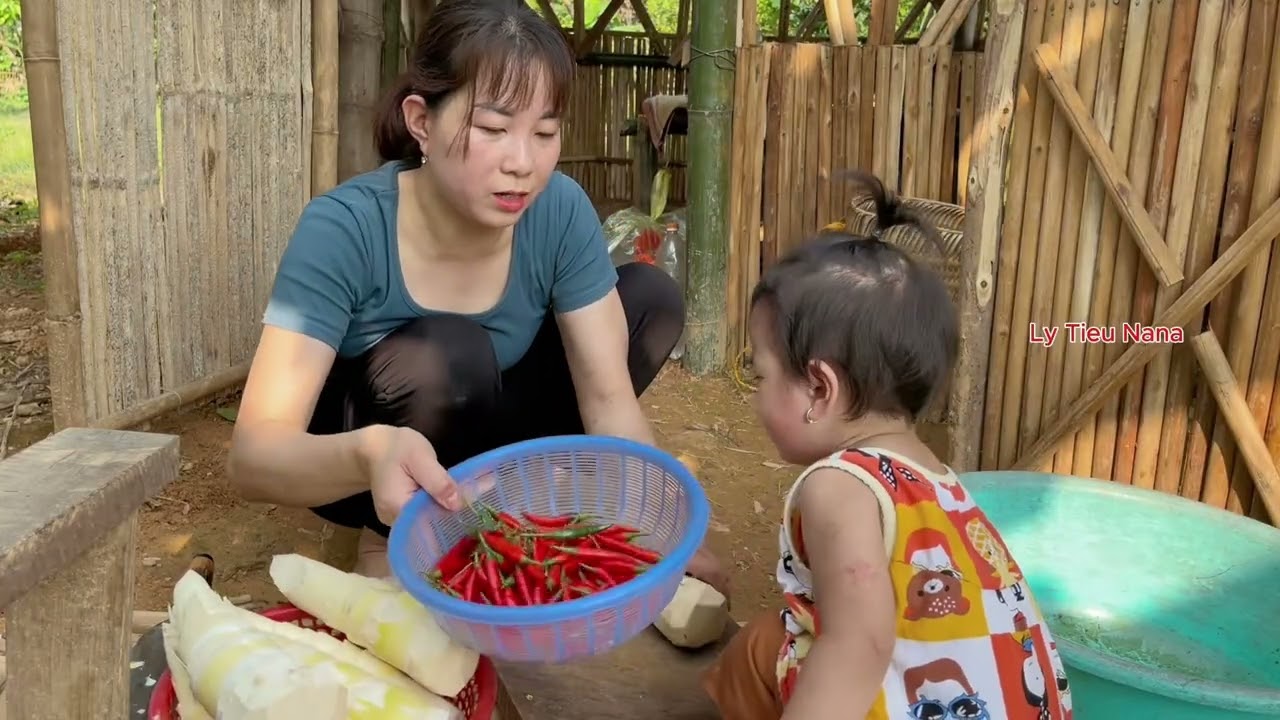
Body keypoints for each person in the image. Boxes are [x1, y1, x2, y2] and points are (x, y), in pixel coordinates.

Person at [225, 0, 727, 595]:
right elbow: (253, 457)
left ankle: (514, 495)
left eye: (544, 132)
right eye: (492, 129)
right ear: (422, 122)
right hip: (375, 453)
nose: (523, 163)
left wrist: (651, 523)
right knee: (449, 351)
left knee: (650, 298)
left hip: (490, 422)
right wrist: (370, 453)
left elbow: (608, 397)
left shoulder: (558, 208)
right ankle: (390, 538)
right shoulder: (344, 228)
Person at [700, 172, 1072, 719]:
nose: (756, 396)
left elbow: (861, 643)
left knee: (758, 649)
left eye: (760, 376)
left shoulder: (838, 486)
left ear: (819, 389)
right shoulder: (942, 486)